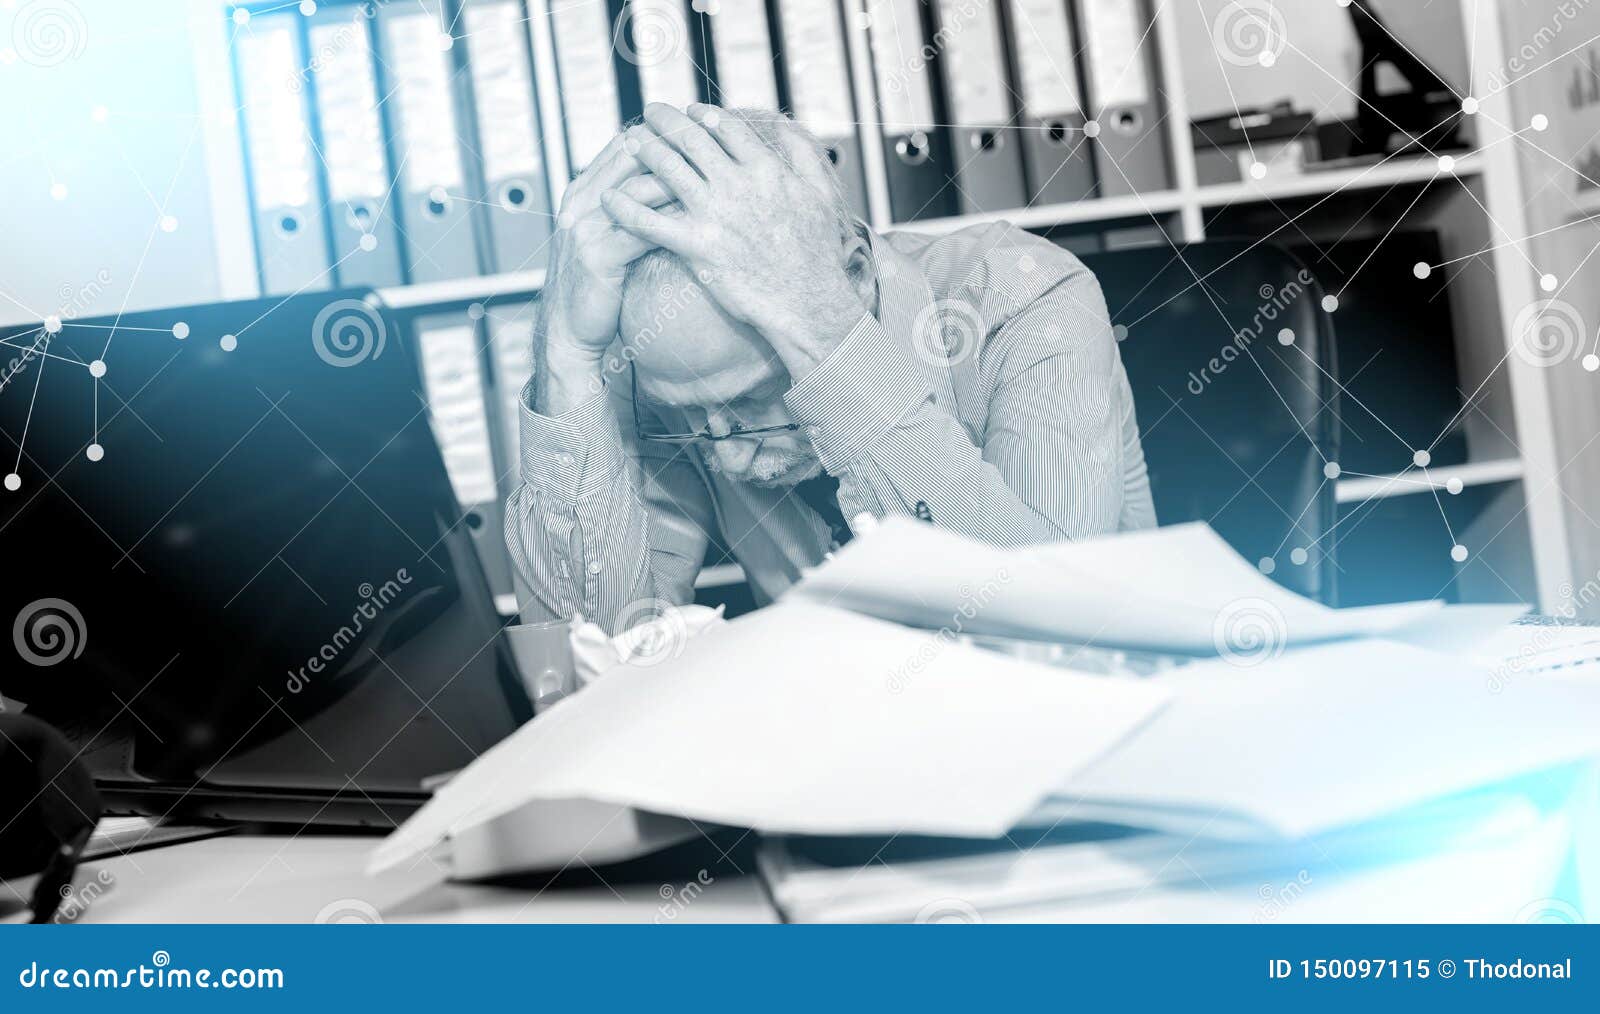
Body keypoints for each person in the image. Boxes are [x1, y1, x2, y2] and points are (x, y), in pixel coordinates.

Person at [507, 103, 1155, 632]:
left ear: (854, 276)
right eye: (695, 418)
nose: (727, 456)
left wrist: (826, 333)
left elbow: (1052, 624)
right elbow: (591, 664)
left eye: (757, 399)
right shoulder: (670, 369)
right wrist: (564, 356)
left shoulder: (1027, 295)